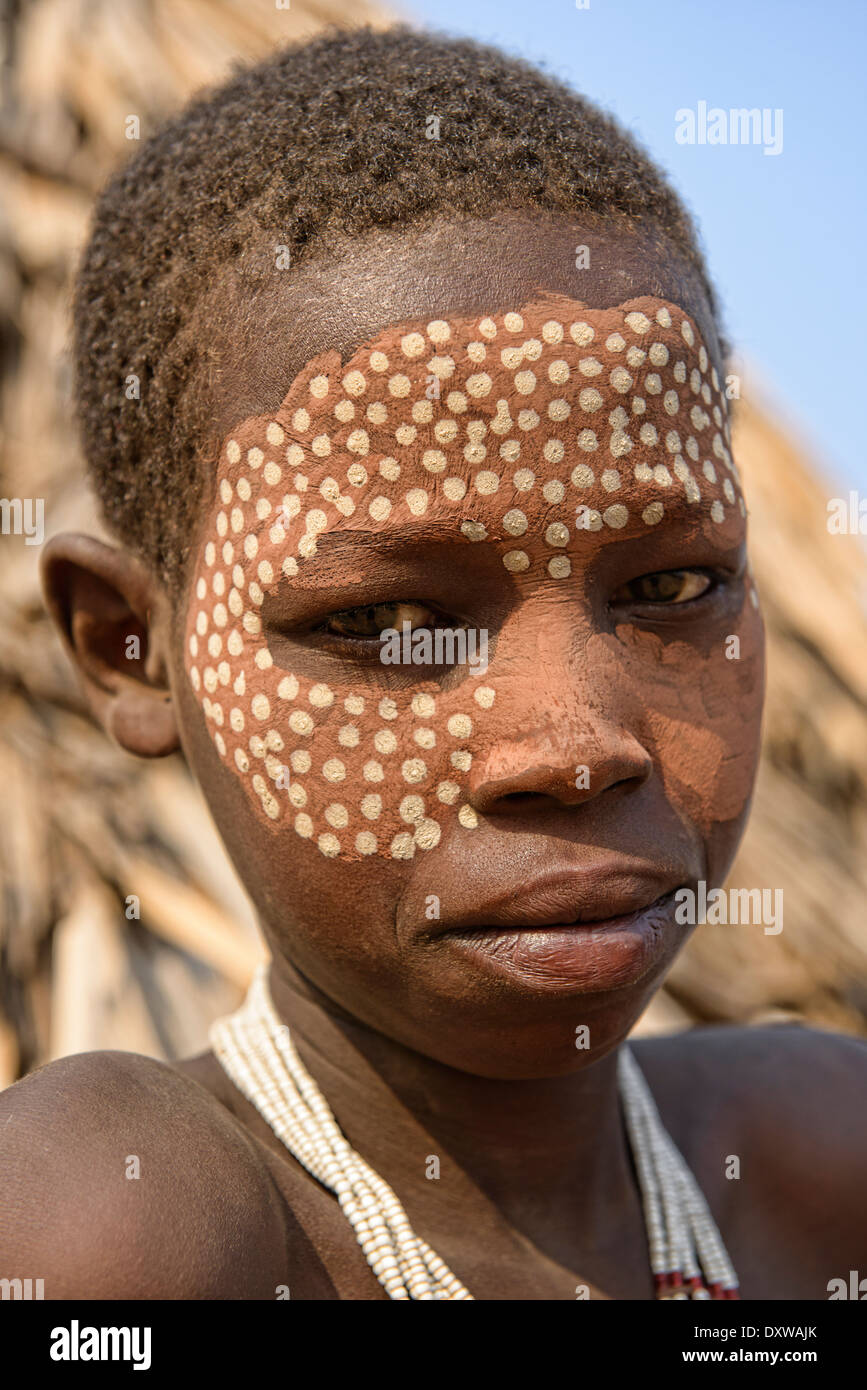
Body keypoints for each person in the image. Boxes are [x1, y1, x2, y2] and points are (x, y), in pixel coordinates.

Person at [1, 27, 864, 1301]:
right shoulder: (114, 1226)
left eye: (672, 586)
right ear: (132, 652)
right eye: (396, 625)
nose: (575, 744)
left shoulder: (816, 1167)